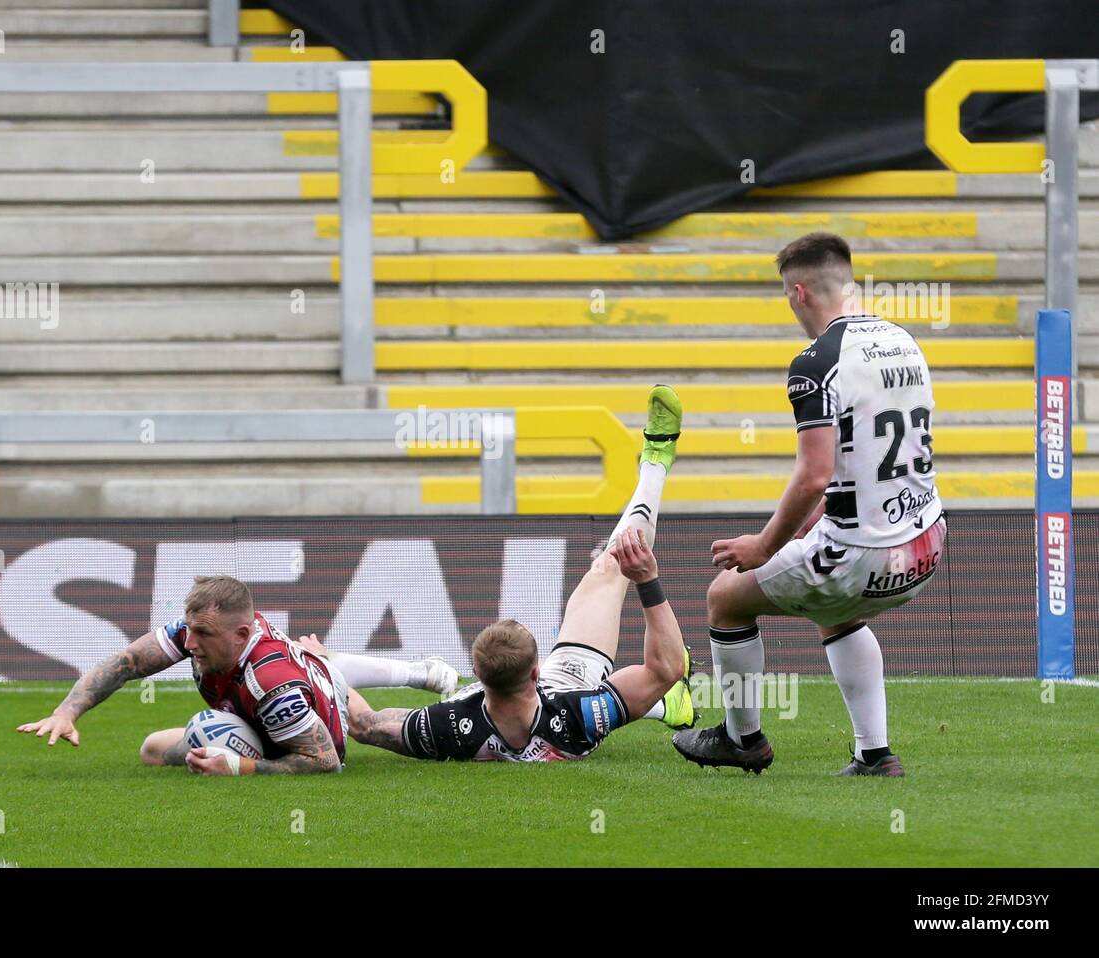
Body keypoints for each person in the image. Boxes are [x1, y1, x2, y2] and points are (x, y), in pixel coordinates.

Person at [672, 232, 945, 777]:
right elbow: (877, 454)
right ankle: (874, 755)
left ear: (799, 292)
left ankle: (740, 739)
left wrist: (764, 544)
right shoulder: (904, 340)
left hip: (862, 555)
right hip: (927, 545)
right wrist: (818, 521)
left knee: (726, 597)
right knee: (832, 611)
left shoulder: (815, 362)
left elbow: (813, 475)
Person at [339, 385, 695, 763]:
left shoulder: (447, 726)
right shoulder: (581, 714)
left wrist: (316, 663)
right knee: (617, 560)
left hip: (515, 705)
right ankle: (656, 459)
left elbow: (365, 725)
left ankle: (665, 704)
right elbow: (667, 667)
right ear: (536, 672)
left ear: (475, 674)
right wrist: (647, 580)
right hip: (575, 678)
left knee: (617, 579)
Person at [16, 574, 458, 775]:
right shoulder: (200, 633)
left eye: (202, 635)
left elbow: (326, 762)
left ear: (240, 633)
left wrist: (243, 766)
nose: (189, 645)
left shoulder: (273, 684)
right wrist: (67, 710)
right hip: (275, 693)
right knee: (151, 750)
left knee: (364, 725)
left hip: (318, 713)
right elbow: (127, 663)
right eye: (188, 631)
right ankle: (334, 665)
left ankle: (448, 698)